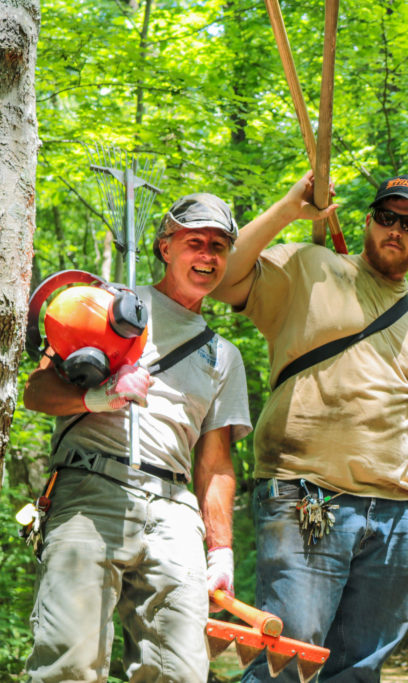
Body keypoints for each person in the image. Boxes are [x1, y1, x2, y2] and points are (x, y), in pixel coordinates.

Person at [212, 172, 408, 682]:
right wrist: (287, 209)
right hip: (307, 492)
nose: (395, 229)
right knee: (285, 657)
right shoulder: (312, 267)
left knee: (359, 670)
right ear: (368, 221)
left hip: (396, 510)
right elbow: (223, 278)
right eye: (386, 216)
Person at [23, 194, 252, 682]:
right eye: (195, 242)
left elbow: (215, 463)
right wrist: (98, 397)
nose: (207, 256)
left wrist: (222, 551)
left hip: (175, 510)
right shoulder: (107, 304)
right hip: (91, 488)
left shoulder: (223, 355)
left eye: (218, 246)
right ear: (165, 248)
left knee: (180, 672)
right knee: (69, 664)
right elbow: (36, 391)